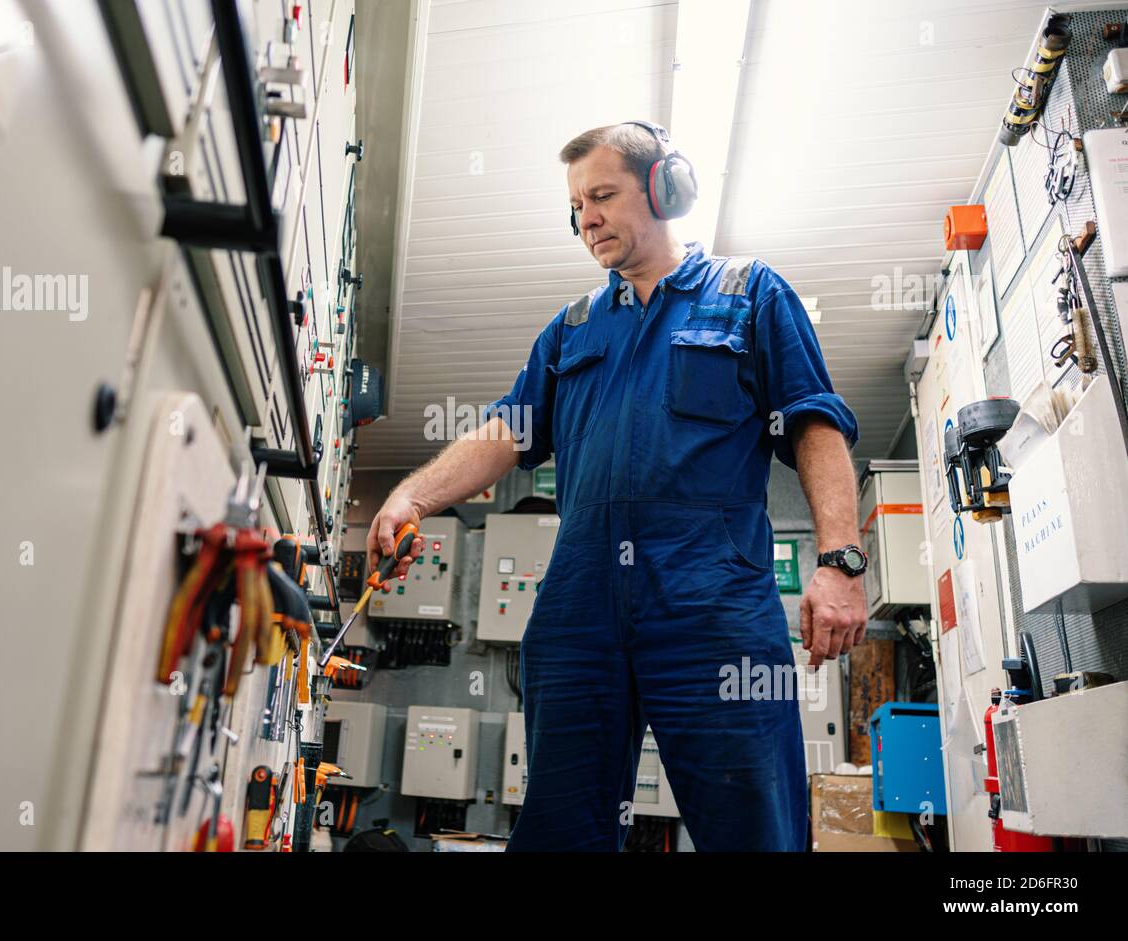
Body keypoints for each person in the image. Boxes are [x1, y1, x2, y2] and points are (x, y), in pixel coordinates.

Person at [366, 122, 867, 851]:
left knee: (756, 824)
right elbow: (506, 432)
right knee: (559, 828)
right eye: (576, 204)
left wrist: (840, 560)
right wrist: (413, 496)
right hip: (580, 609)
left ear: (665, 188)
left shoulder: (749, 293)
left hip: (712, 605)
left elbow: (815, 424)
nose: (586, 218)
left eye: (601, 194)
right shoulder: (570, 330)